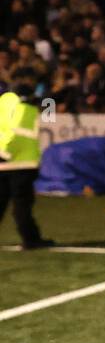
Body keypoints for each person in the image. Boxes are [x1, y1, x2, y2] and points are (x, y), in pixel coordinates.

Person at [0, 69, 55, 250]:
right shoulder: (29, 110)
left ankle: (32, 238)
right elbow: (50, 118)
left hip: (4, 163)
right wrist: (49, 96)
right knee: (22, 205)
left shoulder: (5, 105)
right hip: (21, 163)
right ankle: (31, 239)